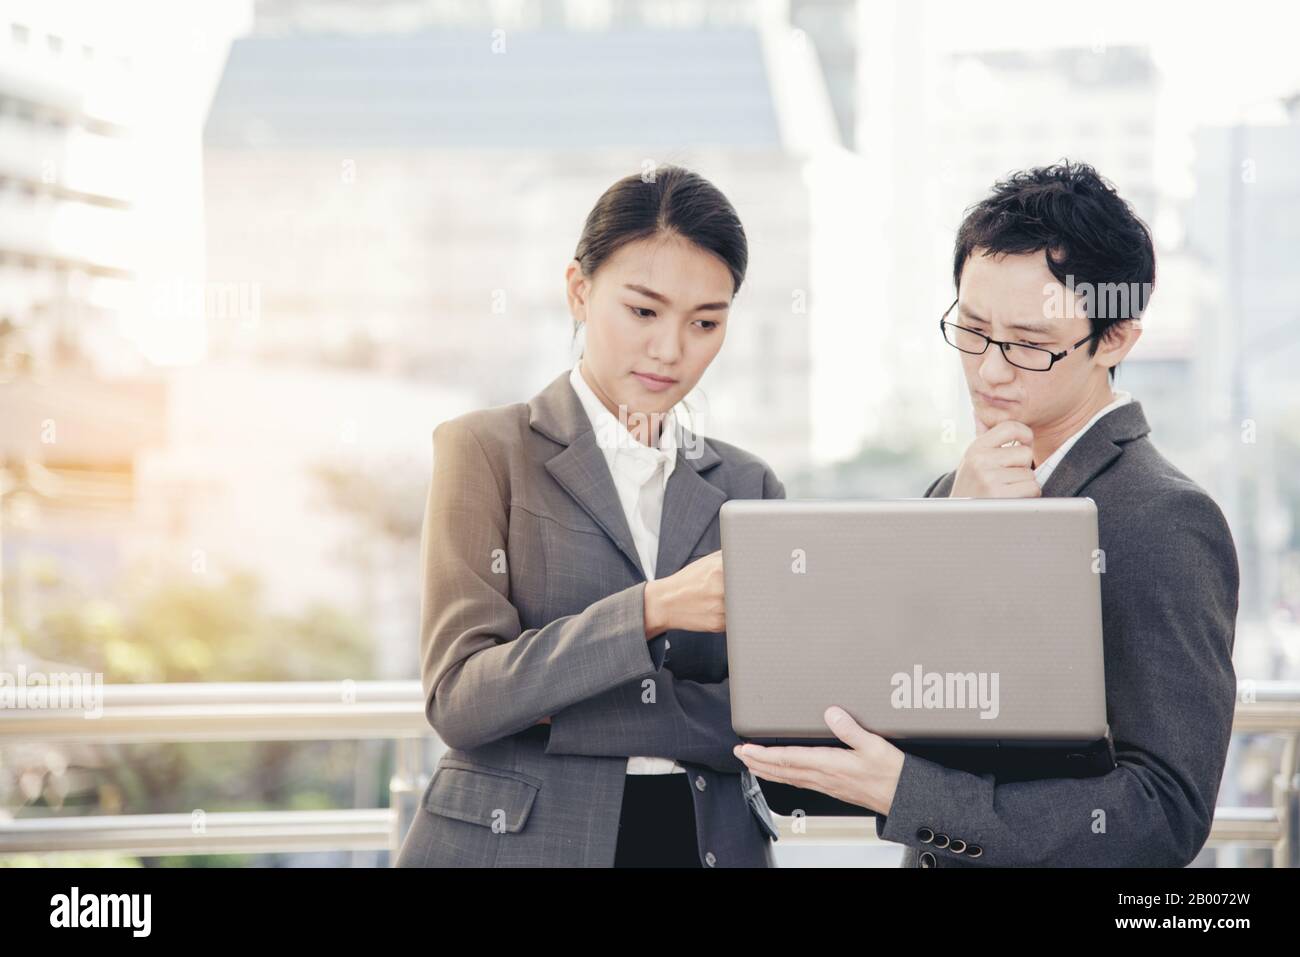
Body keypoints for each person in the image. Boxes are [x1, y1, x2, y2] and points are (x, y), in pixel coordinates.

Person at [735, 161, 1239, 867]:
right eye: (971, 329)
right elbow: (894, 714)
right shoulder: (954, 488)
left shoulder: (1164, 520)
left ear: (1116, 337)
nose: (989, 370)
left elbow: (1164, 813)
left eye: (1029, 344)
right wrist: (953, 534)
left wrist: (915, 793)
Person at [395, 165, 782, 868]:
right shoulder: (485, 450)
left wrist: (557, 706)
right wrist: (653, 609)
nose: (671, 349)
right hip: (516, 845)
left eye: (705, 322)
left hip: (705, 841)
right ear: (579, 290)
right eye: (643, 310)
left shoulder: (748, 485)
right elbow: (462, 698)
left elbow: (763, 721)